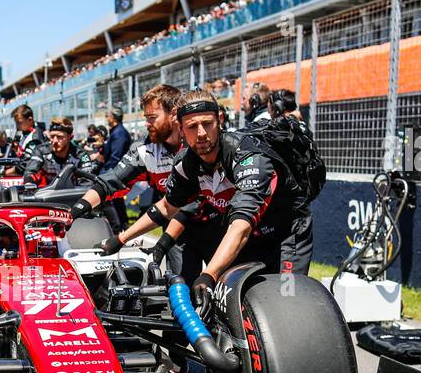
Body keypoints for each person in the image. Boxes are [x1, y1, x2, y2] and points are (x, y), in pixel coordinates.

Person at [101, 88, 314, 285]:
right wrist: (120, 239)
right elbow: (168, 207)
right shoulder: (186, 163)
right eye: (192, 127)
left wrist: (208, 275)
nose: (201, 133)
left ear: (219, 120)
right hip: (252, 236)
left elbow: (241, 224)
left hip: (286, 233)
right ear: (181, 129)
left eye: (207, 123)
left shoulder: (247, 154)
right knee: (237, 302)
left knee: (286, 300)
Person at [69, 84, 185, 238]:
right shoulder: (145, 150)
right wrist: (75, 211)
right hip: (174, 228)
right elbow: (112, 181)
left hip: (215, 224)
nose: (146, 124)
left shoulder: (197, 143)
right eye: (146, 118)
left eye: (152, 117)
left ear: (174, 114)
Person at [20, 118, 98, 189]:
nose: (54, 141)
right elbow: (30, 172)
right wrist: (29, 182)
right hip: (46, 197)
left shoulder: (81, 155)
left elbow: (87, 183)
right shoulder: (40, 151)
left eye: (59, 137)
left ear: (70, 137)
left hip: (72, 198)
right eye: (52, 136)